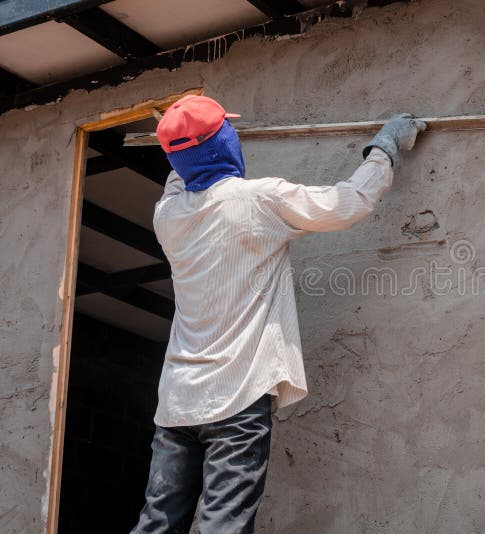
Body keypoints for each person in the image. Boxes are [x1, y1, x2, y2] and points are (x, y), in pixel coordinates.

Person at [131, 95, 426, 533]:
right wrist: (384, 147)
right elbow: (349, 202)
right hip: (237, 399)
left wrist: (180, 133)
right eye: (226, 132)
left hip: (177, 404)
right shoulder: (259, 200)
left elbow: (181, 170)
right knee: (223, 526)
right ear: (222, 144)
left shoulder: (167, 216)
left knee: (157, 523)